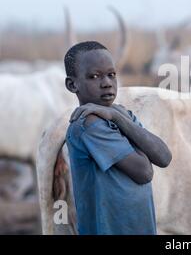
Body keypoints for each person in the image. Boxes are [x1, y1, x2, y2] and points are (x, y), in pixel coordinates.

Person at [63, 41, 172, 235]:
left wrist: (117, 117)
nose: (106, 83)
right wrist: (124, 124)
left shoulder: (121, 116)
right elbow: (144, 172)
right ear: (72, 84)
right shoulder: (89, 126)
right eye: (94, 76)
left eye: (111, 75)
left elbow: (164, 157)